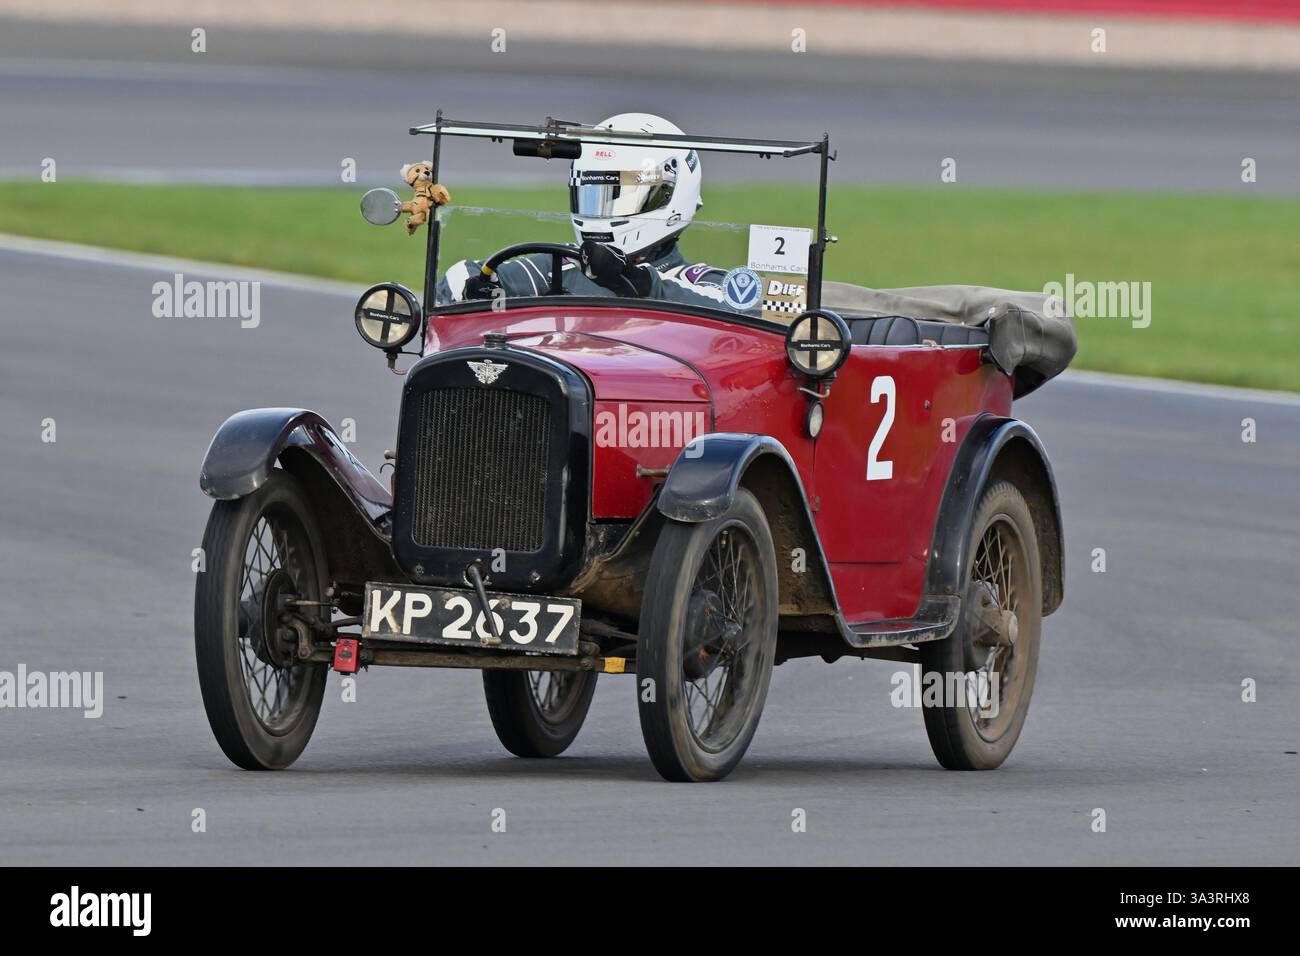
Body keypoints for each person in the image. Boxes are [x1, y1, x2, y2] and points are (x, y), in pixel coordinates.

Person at [438, 113, 746, 312]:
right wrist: (476, 290)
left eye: (617, 196)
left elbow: (751, 313)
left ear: (669, 196)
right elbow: (458, 277)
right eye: (593, 195)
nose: (600, 214)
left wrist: (634, 281)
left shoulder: (695, 281)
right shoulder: (560, 269)